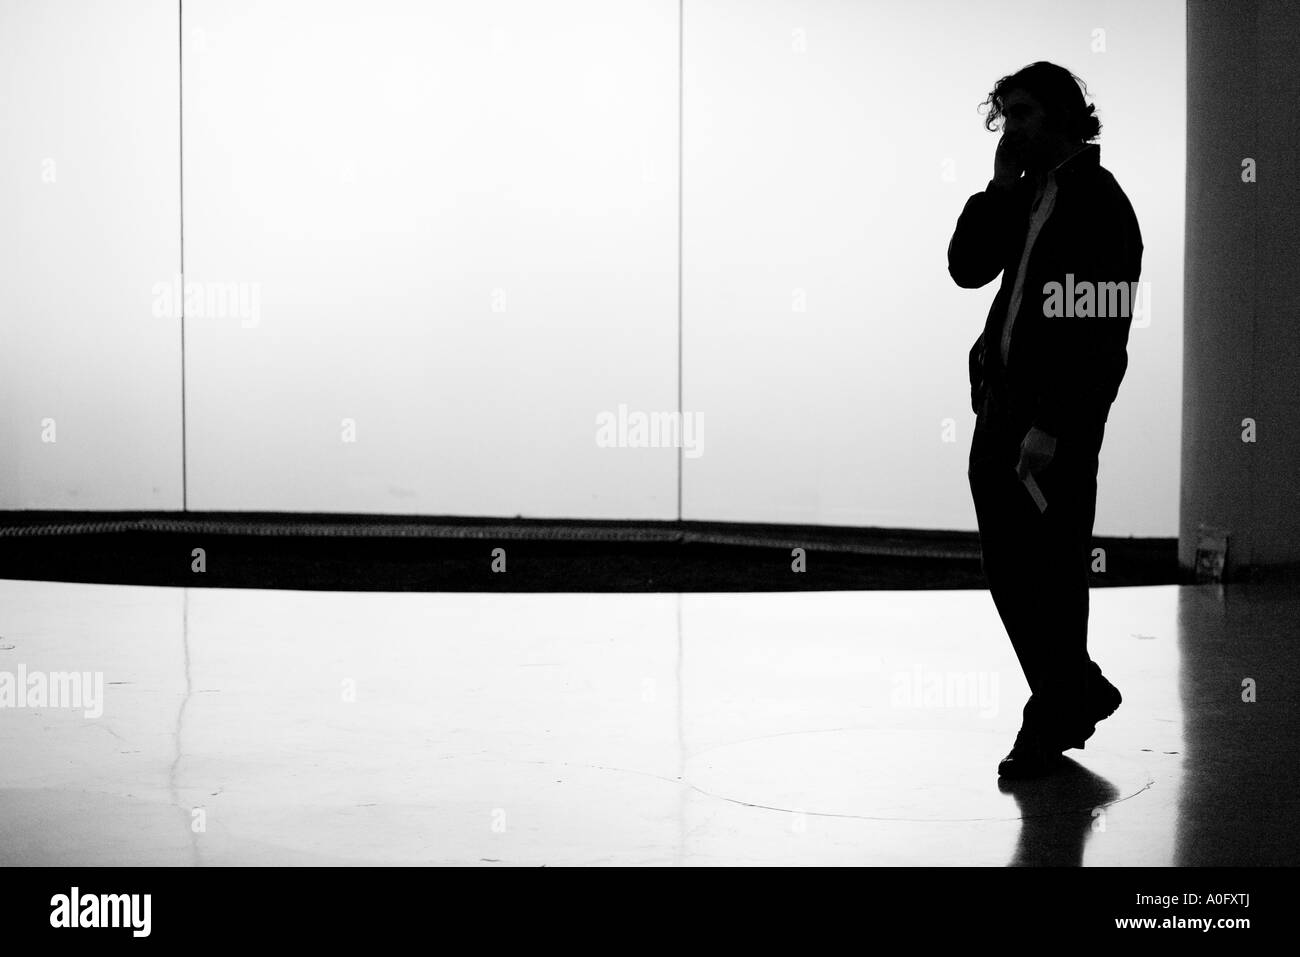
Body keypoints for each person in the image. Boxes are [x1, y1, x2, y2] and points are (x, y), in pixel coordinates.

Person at [948, 62, 1143, 777]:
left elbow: (1101, 334)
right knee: (1009, 565)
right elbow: (966, 266)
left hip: (1046, 428)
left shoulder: (1100, 204)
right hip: (1000, 411)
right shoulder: (1027, 195)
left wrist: (1054, 424)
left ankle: (1056, 704)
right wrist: (999, 188)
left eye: (1024, 114)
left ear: (1063, 113)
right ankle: (1071, 689)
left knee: (1049, 570)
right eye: (1005, 116)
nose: (1012, 128)